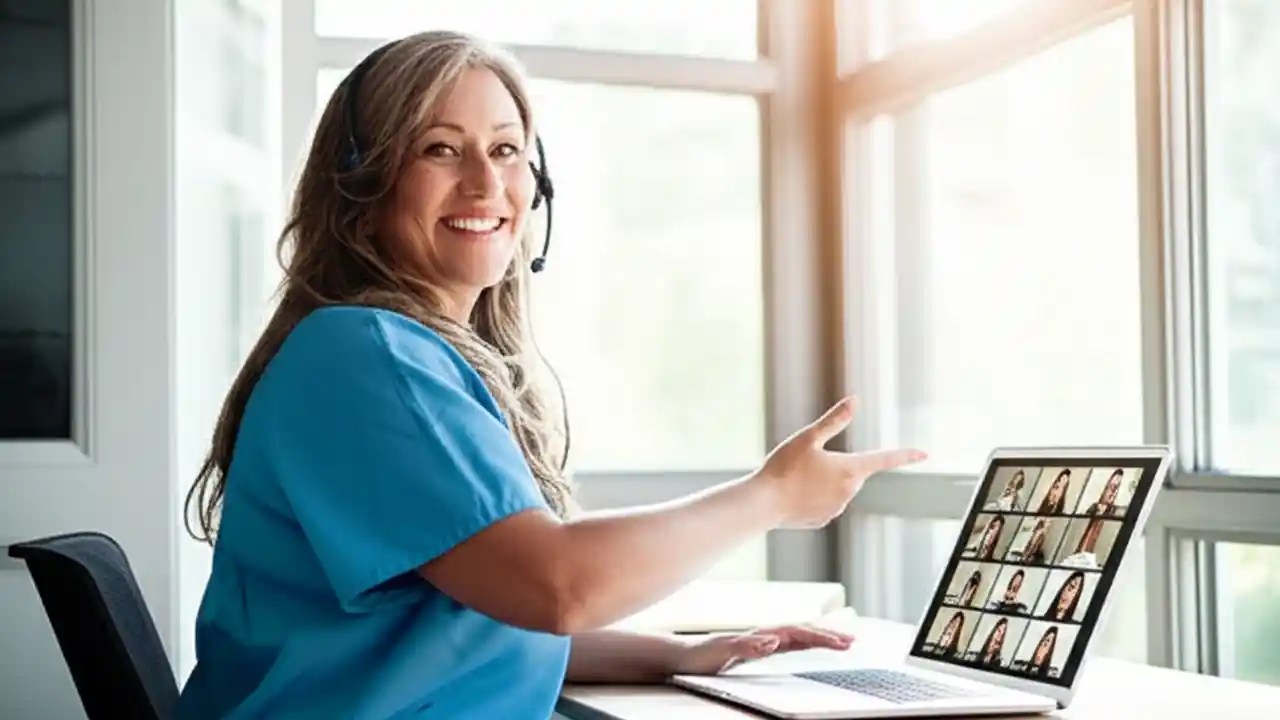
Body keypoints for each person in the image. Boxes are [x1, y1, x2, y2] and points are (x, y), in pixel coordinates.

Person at [173, 31, 927, 720]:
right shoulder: (366, 353)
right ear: (363, 187)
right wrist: (770, 497)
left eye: (505, 151)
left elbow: (475, 620)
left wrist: (678, 656)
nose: (484, 183)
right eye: (439, 149)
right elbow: (557, 587)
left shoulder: (390, 353)